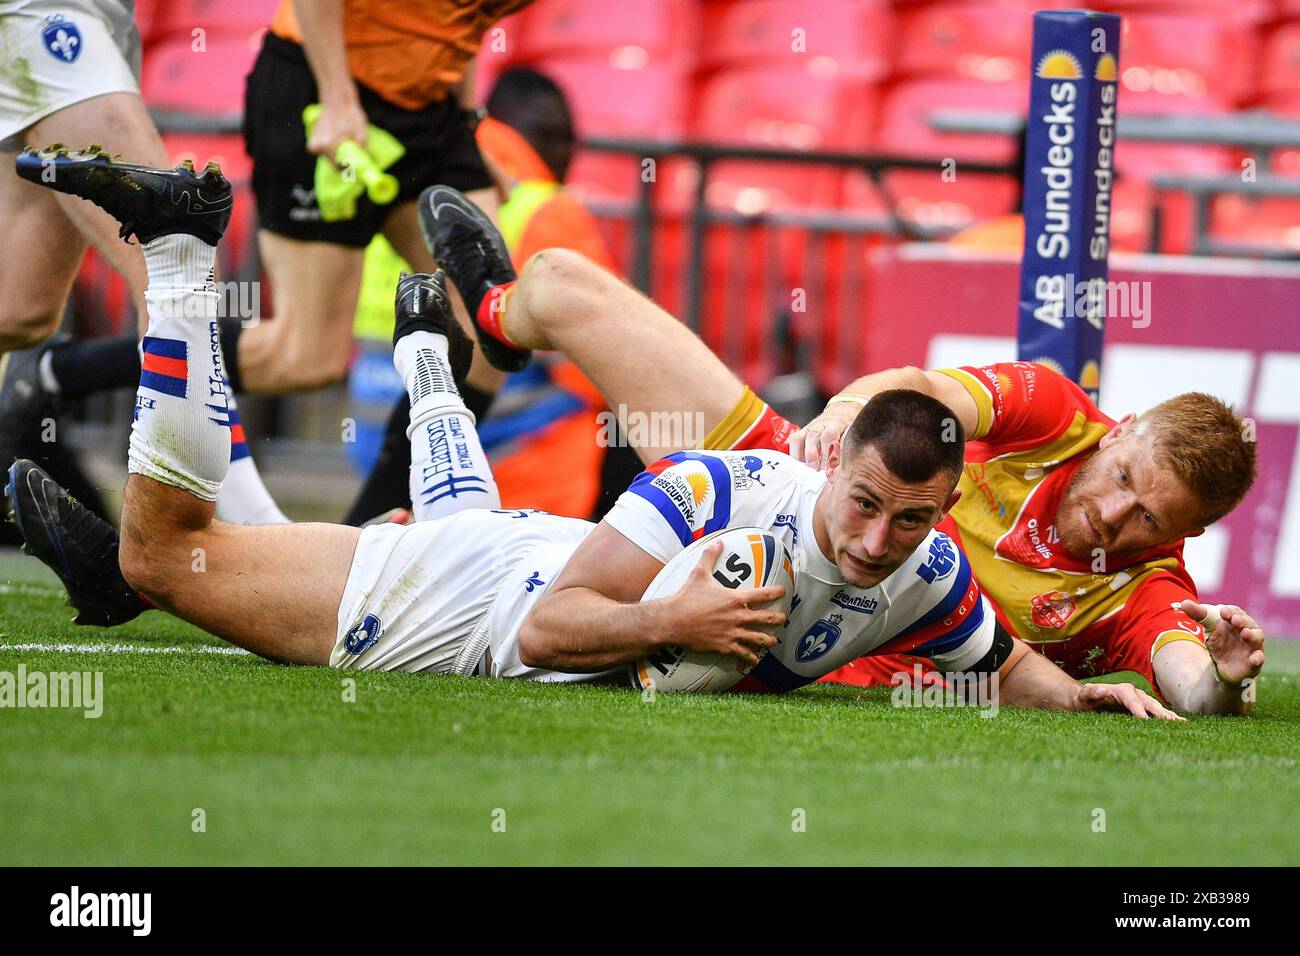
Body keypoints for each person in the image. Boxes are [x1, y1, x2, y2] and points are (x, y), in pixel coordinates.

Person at [4, 151, 1178, 720]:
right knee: (175, 552)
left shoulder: (927, 567)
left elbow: (996, 658)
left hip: (507, 539)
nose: (878, 539)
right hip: (452, 609)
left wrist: (1084, 700)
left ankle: (427, 363)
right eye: (866, 502)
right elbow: (555, 623)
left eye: (910, 518)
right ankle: (179, 259)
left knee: (225, 553)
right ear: (832, 457)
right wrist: (675, 619)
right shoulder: (723, 484)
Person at [408, 187, 1266, 716]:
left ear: (1178, 536)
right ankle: (492, 320)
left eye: (1148, 518)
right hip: (789, 479)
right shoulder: (1056, 412)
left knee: (471, 567)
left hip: (798, 629)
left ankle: (426, 490)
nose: (1111, 516)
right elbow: (930, 395)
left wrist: (1221, 682)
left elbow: (1187, 678)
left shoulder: (1144, 591)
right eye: (1122, 480)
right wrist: (845, 410)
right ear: (1117, 434)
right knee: (556, 281)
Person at [0, 2, 286, 558]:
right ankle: (256, 528)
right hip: (47, 9)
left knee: (20, 309)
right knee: (178, 249)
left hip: (104, 16)